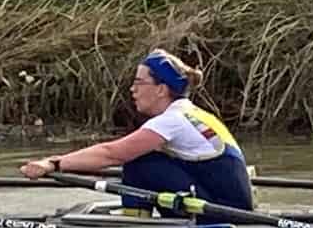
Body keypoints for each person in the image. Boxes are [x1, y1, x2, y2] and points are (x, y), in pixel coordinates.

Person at [19, 48, 254, 214]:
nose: (132, 89)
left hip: (225, 213)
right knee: (145, 161)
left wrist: (53, 164)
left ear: (161, 89)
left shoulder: (173, 121)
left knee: (138, 163)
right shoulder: (193, 114)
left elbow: (111, 154)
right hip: (230, 202)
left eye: (139, 83)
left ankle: (136, 223)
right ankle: (137, 215)